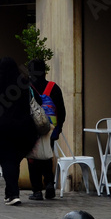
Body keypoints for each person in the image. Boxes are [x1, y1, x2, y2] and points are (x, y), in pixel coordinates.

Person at [0, 57, 38, 206]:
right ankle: (10, 192)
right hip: (21, 129)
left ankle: (13, 194)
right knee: (13, 161)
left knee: (6, 161)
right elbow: (27, 107)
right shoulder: (23, 85)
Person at [27, 58, 66, 200]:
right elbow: (61, 111)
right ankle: (49, 183)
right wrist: (58, 129)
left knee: (32, 159)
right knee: (47, 157)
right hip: (50, 129)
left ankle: (37, 191)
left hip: (32, 129)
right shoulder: (53, 87)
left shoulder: (28, 87)